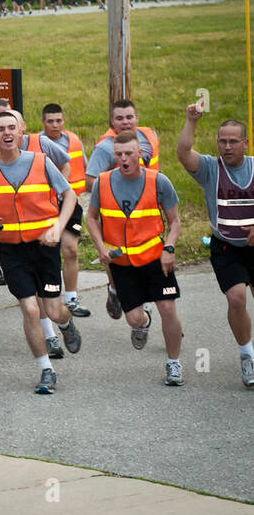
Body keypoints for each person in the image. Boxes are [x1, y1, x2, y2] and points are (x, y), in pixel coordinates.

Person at [0, 111, 79, 394]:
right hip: (11, 249)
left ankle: (66, 323)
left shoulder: (40, 161)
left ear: (21, 132)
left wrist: (58, 227)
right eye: (0, 128)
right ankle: (46, 370)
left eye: (11, 128)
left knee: (53, 310)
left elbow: (70, 195)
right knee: (30, 309)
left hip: (44, 247)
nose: (6, 133)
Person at [86, 133, 184, 384]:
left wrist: (169, 248)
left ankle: (174, 364)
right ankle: (144, 321)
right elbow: (92, 218)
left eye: (129, 153)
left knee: (167, 308)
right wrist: (101, 247)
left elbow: (174, 222)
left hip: (155, 258)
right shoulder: (103, 182)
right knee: (133, 318)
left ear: (140, 153)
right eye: (119, 154)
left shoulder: (158, 181)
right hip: (122, 264)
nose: (124, 159)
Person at [177, 103, 254, 387]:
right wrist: (191, 121)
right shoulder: (211, 168)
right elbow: (183, 154)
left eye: (233, 141)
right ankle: (247, 355)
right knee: (237, 298)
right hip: (226, 247)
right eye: (222, 140)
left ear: (245, 142)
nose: (227, 146)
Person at [40, 103, 92, 319]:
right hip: (44, 205)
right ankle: (48, 299)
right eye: (50, 121)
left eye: (58, 120)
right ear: (43, 122)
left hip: (71, 202)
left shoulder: (73, 140)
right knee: (46, 254)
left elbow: (85, 168)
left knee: (70, 249)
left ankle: (71, 298)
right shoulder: (37, 143)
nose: (55, 124)